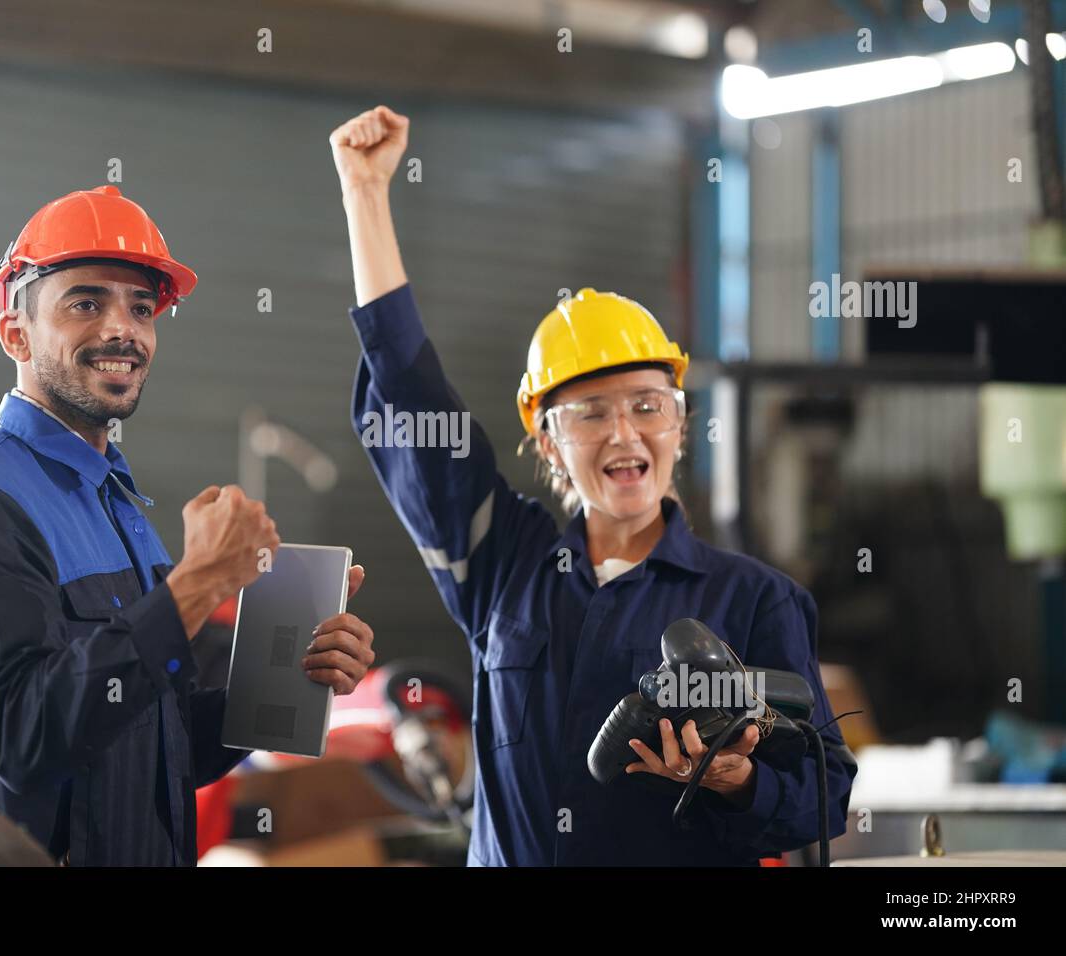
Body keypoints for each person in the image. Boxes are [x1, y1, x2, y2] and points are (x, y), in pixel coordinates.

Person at [329, 106, 855, 866]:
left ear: (679, 426)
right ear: (546, 440)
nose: (623, 433)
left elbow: (824, 798)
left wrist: (738, 778)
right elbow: (412, 399)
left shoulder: (754, 601)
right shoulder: (502, 564)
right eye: (589, 414)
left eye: (649, 407)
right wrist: (365, 193)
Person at [0, 186, 376, 866]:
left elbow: (160, 745)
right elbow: (24, 742)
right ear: (14, 331)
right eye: (87, 302)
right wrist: (195, 584)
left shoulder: (118, 504)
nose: (123, 328)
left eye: (141, 308)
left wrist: (290, 681)